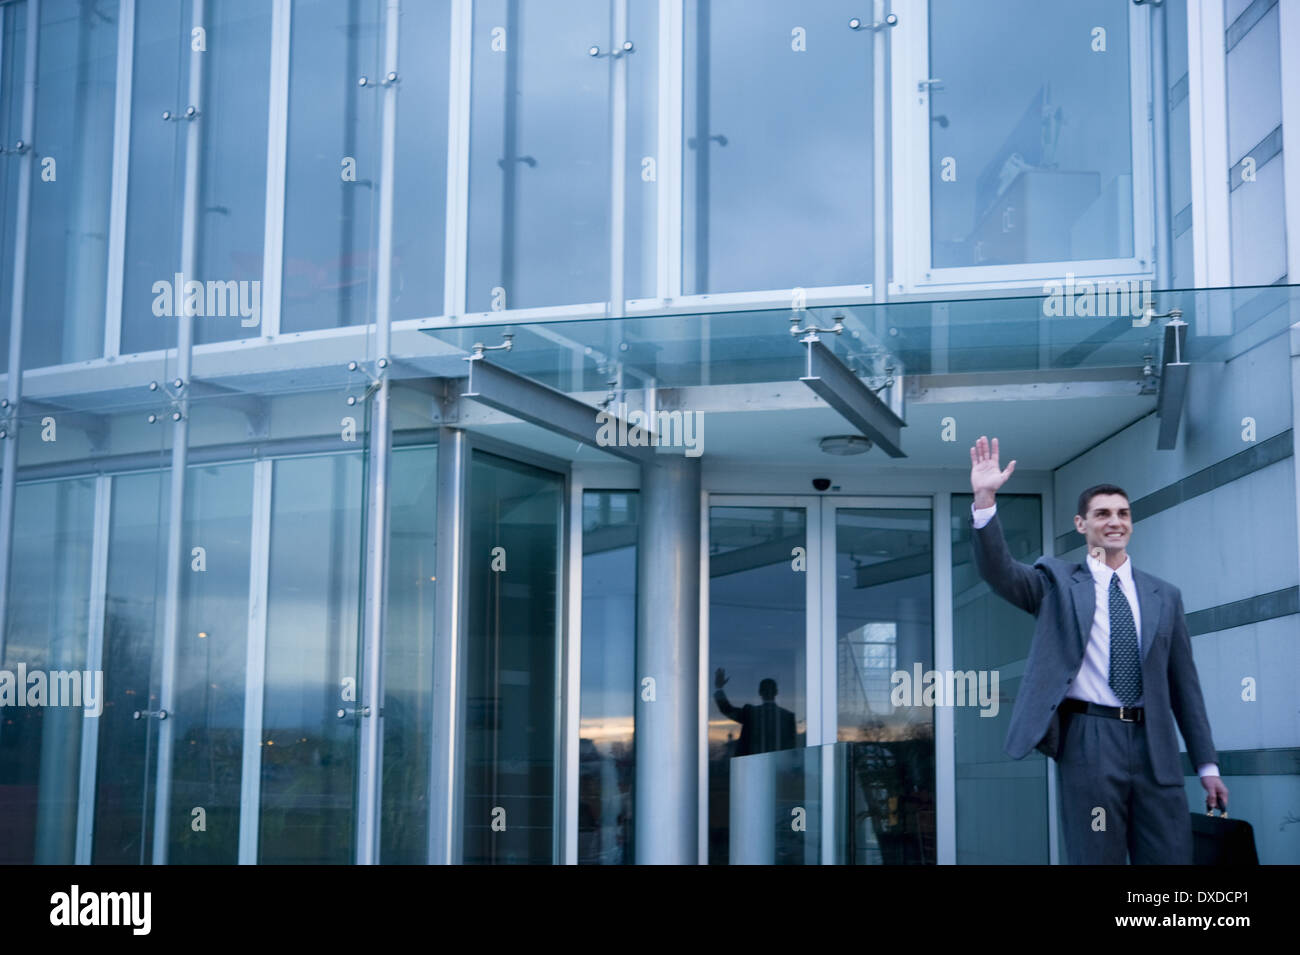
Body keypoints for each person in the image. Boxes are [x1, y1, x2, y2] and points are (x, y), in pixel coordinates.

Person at [967, 435, 1228, 864]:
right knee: (1096, 855)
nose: (1115, 521)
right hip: (1090, 739)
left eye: (1123, 514)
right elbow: (999, 573)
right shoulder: (1054, 583)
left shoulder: (1165, 595)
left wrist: (1208, 766)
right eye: (1102, 513)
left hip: (1155, 742)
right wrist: (984, 499)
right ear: (1081, 524)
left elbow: (1186, 686)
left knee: (1171, 855)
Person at [713, 669, 796, 756]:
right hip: (777, 766)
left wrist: (719, 688)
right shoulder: (789, 717)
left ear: (760, 692)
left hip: (751, 765)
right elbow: (792, 747)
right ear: (776, 692)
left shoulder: (750, 713)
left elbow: (727, 709)